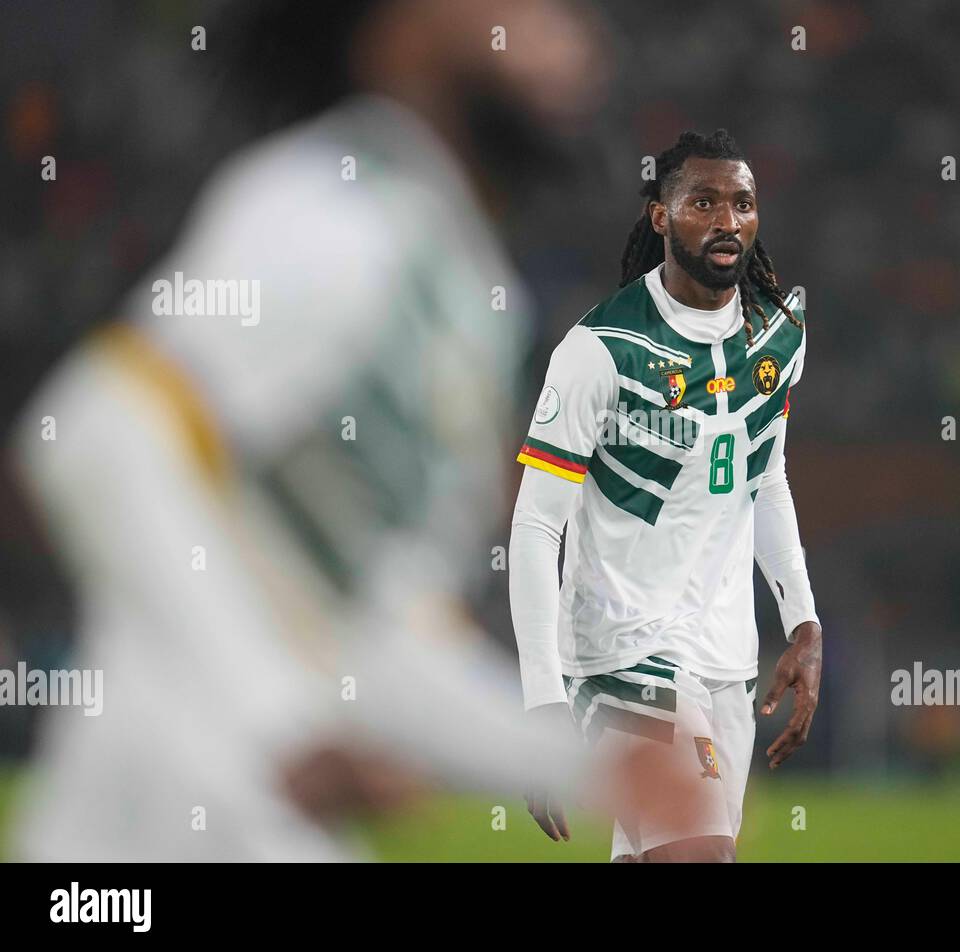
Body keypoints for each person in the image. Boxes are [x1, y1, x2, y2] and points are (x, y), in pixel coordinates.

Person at [8, 0, 699, 862]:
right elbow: (98, 437)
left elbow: (360, 633)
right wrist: (281, 727)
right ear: (404, 31)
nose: (574, 40)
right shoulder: (340, 206)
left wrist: (590, 766)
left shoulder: (448, 263)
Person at [509, 129, 824, 862]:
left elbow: (765, 476)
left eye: (742, 203)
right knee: (699, 855)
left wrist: (802, 620)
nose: (727, 221)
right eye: (703, 201)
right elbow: (533, 526)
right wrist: (543, 700)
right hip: (620, 649)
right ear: (660, 215)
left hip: (726, 659)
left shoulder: (779, 336)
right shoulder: (600, 349)